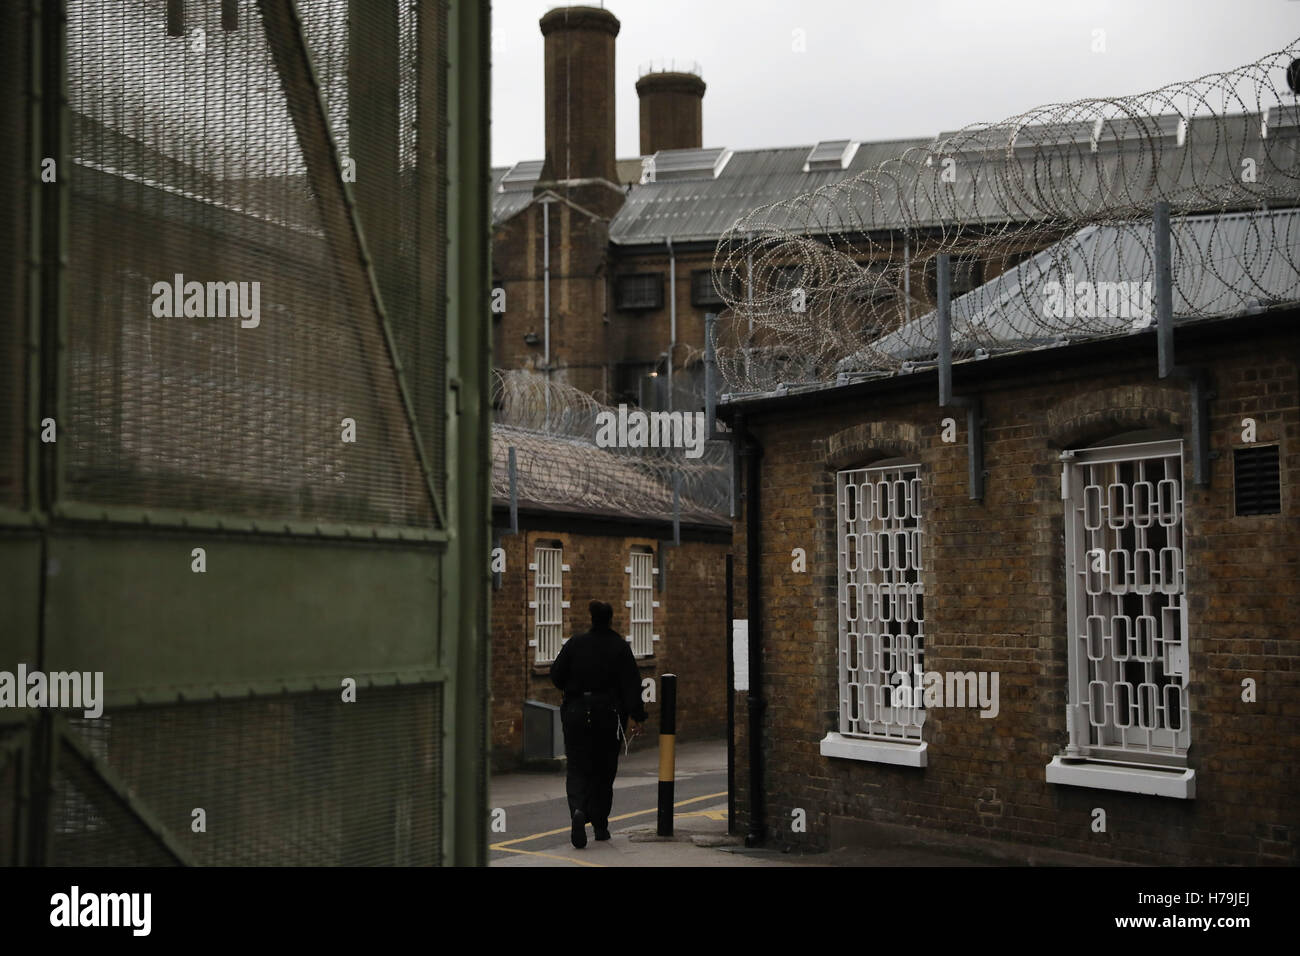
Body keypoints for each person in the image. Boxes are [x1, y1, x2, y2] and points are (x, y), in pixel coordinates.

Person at [550, 599, 648, 848]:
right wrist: (637, 715)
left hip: (576, 712)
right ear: (611, 618)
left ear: (591, 618)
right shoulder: (619, 647)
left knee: (577, 767)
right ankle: (600, 825)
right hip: (608, 714)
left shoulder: (575, 643)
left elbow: (556, 675)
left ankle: (578, 810)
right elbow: (631, 684)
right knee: (604, 770)